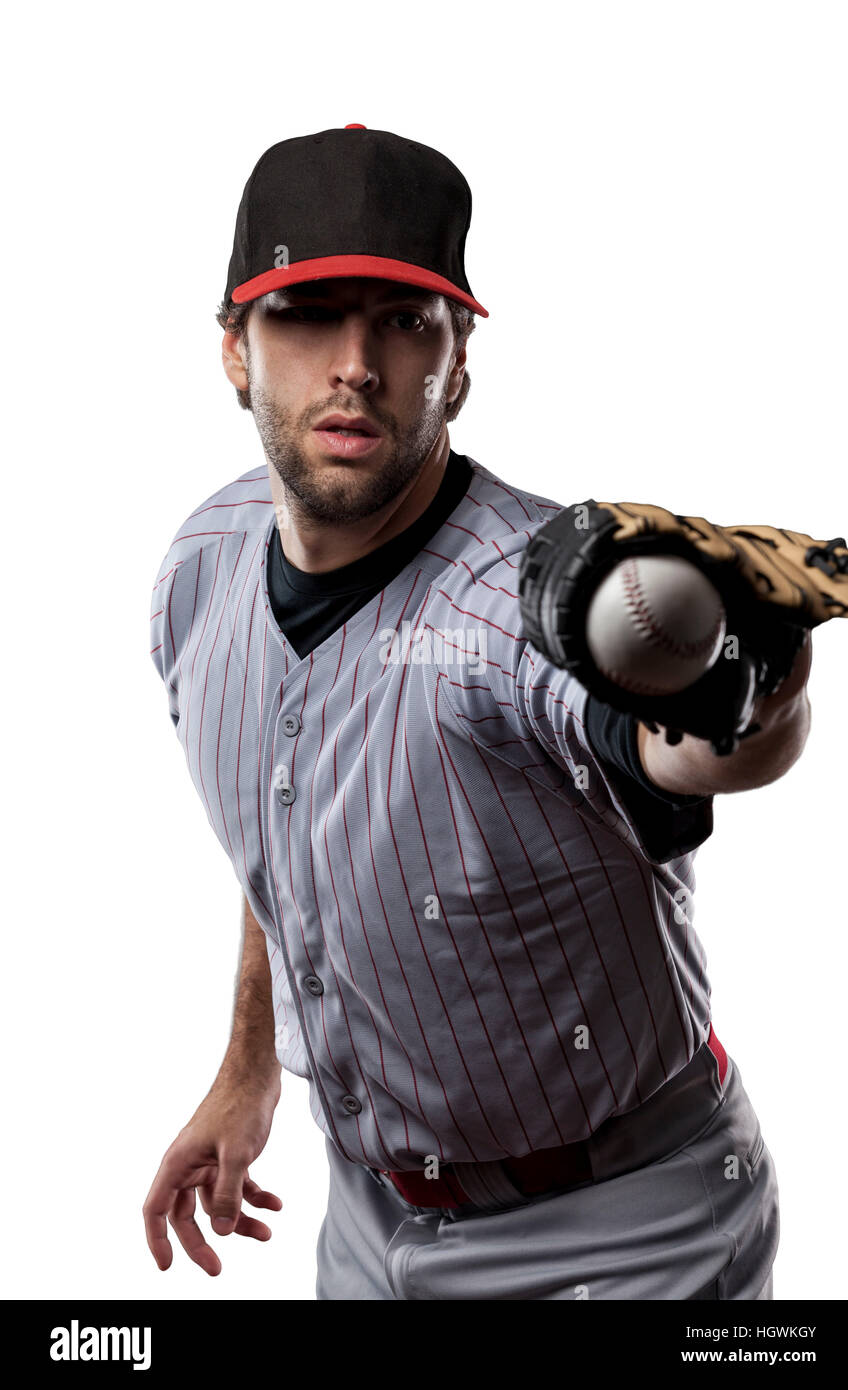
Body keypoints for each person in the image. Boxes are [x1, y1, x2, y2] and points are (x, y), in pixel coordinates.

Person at [144, 125, 808, 1299]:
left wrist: (757, 681)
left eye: (404, 321)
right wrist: (249, 1067)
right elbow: (280, 846)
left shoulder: (523, 601)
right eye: (306, 314)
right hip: (368, 1226)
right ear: (235, 351)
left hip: (626, 1239)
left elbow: (691, 750)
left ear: (456, 365)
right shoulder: (203, 567)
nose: (354, 363)